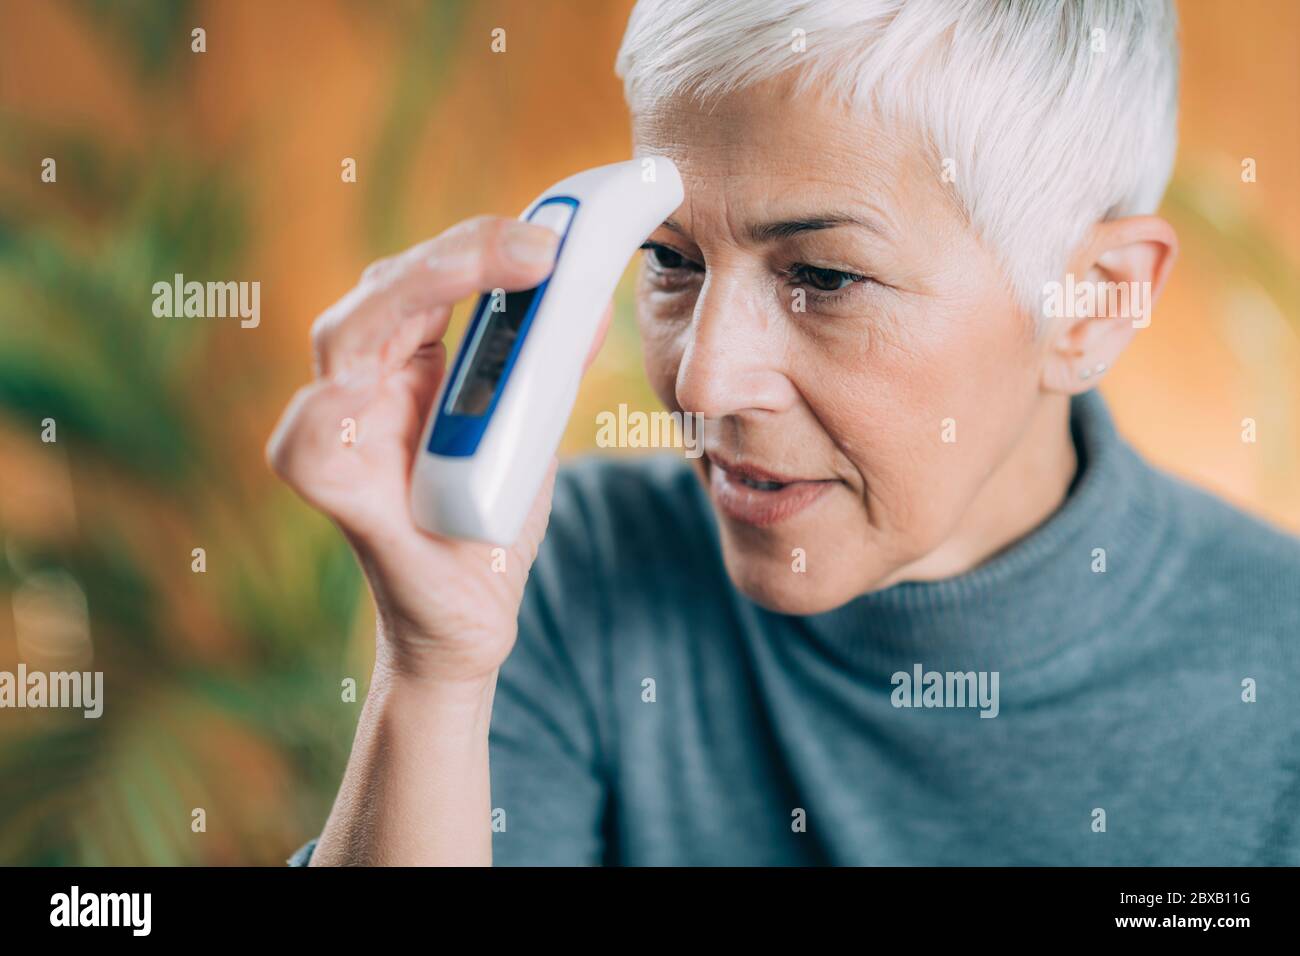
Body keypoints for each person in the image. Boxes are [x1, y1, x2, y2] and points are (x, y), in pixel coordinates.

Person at [273, 0, 1300, 865]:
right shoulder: (570, 568)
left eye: (822, 277)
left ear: (1089, 302)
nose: (700, 376)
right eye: (671, 260)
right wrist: (436, 671)